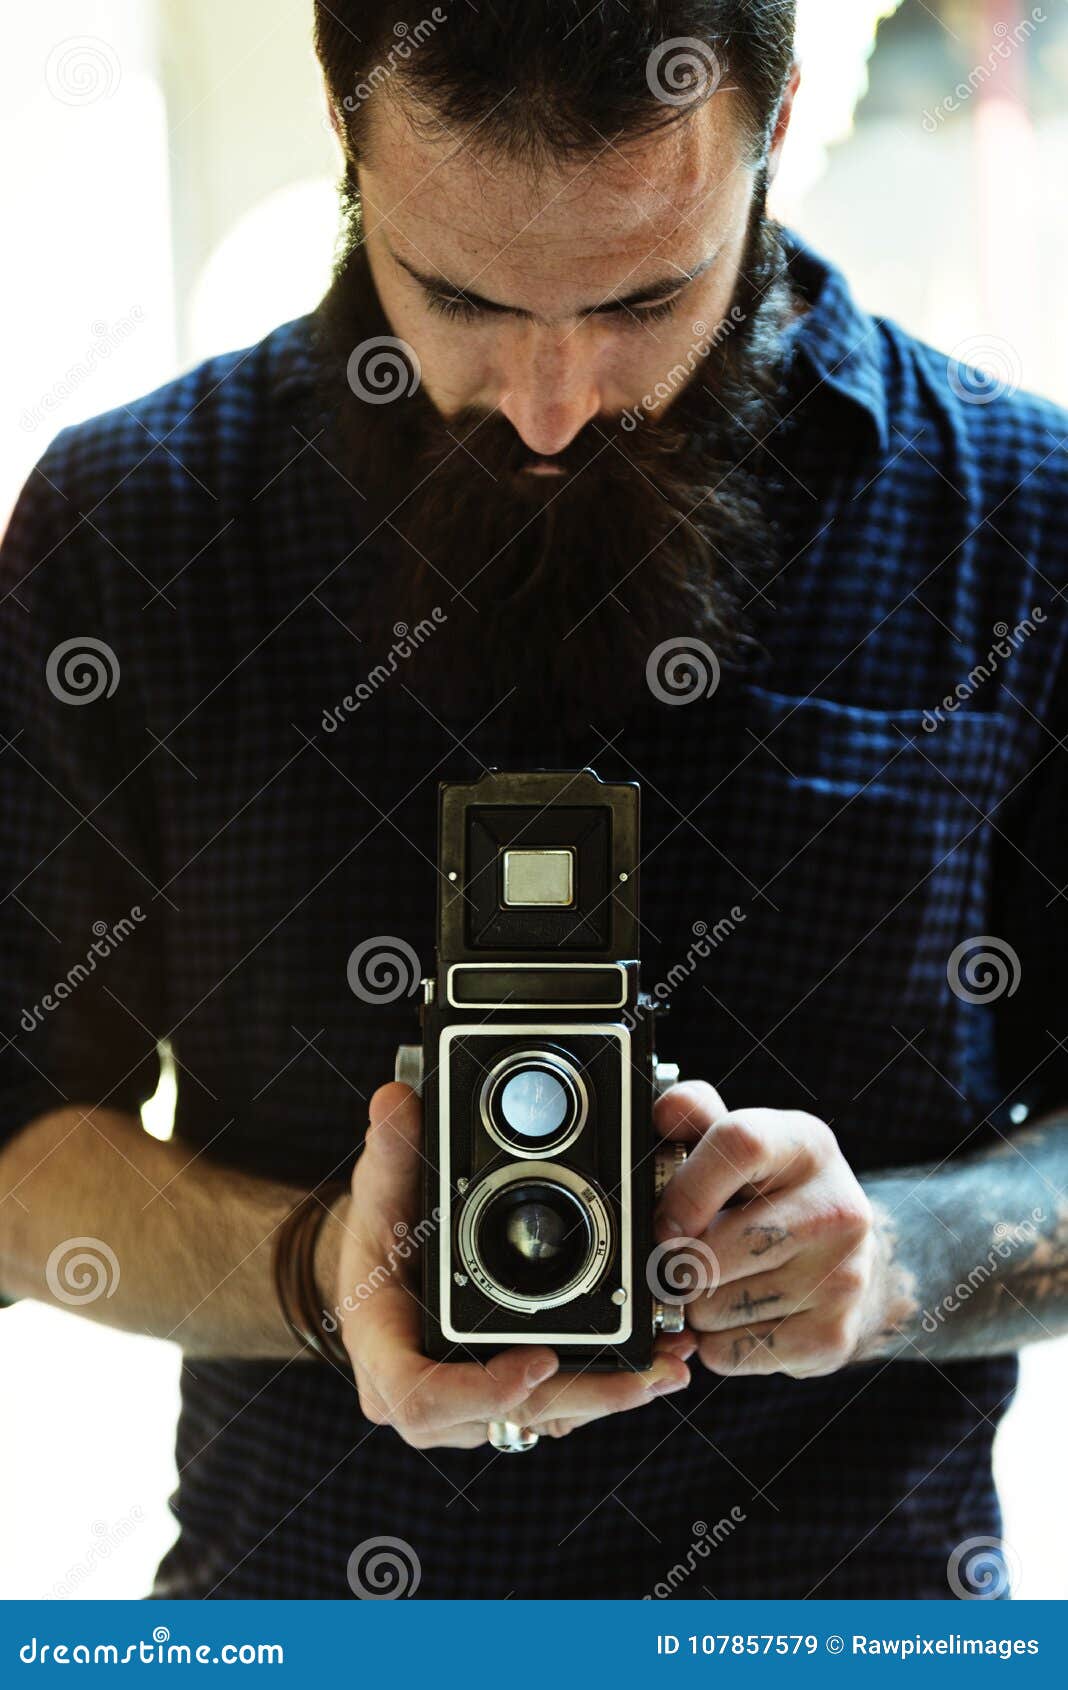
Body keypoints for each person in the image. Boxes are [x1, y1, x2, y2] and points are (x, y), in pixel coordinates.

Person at [2, 0, 1066, 1601]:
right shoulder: (133, 523)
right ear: (352, 136)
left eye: (647, 295)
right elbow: (15, 1140)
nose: (553, 402)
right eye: (460, 298)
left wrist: (903, 1256)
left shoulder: (1021, 529)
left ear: (772, 133)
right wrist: (313, 1271)